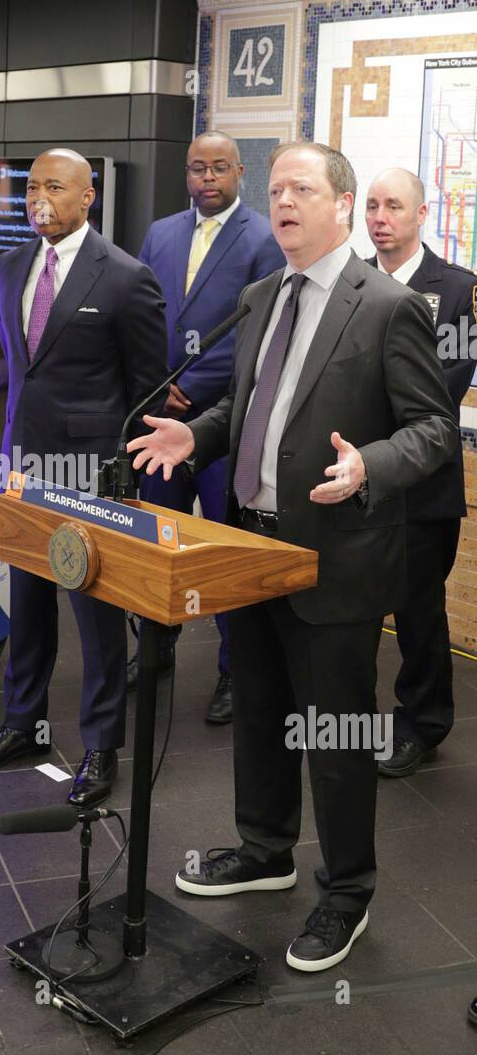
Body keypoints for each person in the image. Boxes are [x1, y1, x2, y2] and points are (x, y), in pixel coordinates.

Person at [128, 141, 458, 971]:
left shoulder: (385, 305)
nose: (283, 202)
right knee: (264, 717)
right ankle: (265, 851)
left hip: (336, 562)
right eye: (275, 190)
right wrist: (196, 434)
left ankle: (345, 893)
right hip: (251, 547)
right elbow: (251, 406)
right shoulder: (262, 295)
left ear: (342, 204)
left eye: (301, 188)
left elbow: (432, 429)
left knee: (335, 736)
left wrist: (368, 466)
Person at [0, 148, 167, 808]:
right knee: (31, 601)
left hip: (90, 473)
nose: (39, 197)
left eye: (55, 186)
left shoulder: (128, 279)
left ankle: (102, 748)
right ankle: (22, 725)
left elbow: (146, 397)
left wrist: (123, 480)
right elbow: (21, 372)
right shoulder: (8, 266)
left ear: (88, 195)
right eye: (31, 187)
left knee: (96, 615)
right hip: (24, 466)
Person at [133, 131, 285, 723]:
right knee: (157, 535)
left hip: (223, 422)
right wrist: (155, 379)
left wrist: (193, 387)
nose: (208, 179)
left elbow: (260, 328)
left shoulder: (264, 239)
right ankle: (155, 643)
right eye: (198, 169)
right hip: (157, 416)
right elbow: (143, 313)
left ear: (239, 172)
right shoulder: (161, 233)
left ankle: (233, 669)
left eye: (219, 168)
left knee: (221, 545)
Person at [365, 168, 476, 776]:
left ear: (421, 213)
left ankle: (423, 724)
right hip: (353, 477)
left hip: (421, 484)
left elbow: (443, 387)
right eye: (374, 207)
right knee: (355, 607)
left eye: (395, 207)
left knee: (418, 614)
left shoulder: (459, 290)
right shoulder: (349, 280)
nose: (382, 218)